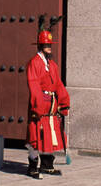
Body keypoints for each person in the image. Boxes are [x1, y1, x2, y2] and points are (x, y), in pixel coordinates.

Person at [26, 15, 70, 177]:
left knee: (50, 134)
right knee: (37, 135)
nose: (50, 47)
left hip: (52, 104)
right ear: (41, 45)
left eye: (51, 44)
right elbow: (33, 84)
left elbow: (58, 83)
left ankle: (47, 164)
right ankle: (32, 166)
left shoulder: (52, 64)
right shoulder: (34, 63)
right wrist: (38, 105)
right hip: (40, 104)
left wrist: (64, 102)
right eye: (47, 44)